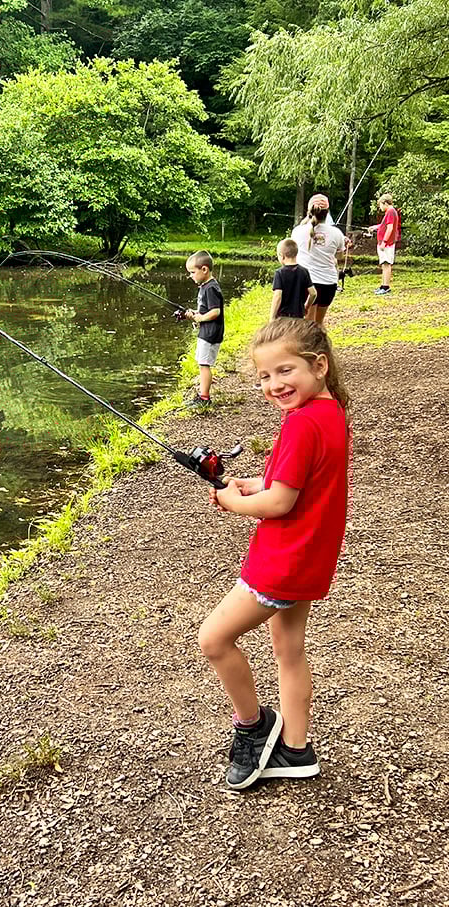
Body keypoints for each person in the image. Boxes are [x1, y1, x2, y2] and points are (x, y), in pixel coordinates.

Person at [198, 317, 350, 790]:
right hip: (309, 556)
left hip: (282, 562)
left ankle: (253, 726)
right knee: (288, 651)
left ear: (318, 365)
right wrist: (255, 485)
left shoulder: (302, 423)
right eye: (264, 376)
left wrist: (231, 499)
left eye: (285, 371)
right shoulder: (329, 413)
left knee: (214, 639)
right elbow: (297, 485)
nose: (274, 384)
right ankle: (296, 751)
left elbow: (280, 503)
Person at [291, 194, 348, 326]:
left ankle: (309, 346)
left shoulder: (298, 231)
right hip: (328, 283)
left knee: (308, 323)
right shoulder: (337, 233)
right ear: (327, 213)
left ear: (309, 210)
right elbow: (339, 257)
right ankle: (320, 346)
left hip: (305, 282)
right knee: (318, 323)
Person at [183, 250, 224, 407]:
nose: (191, 276)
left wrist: (201, 318)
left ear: (204, 269)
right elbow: (207, 310)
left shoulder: (211, 288)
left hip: (210, 333)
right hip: (207, 331)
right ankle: (202, 394)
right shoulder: (205, 286)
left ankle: (204, 398)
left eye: (193, 272)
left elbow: (215, 312)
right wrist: (195, 314)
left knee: (204, 364)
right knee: (202, 363)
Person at [270, 238, 317, 319]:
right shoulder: (304, 271)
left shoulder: (280, 273)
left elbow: (278, 296)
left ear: (282, 256)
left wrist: (272, 317)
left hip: (283, 317)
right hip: (298, 316)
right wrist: (306, 306)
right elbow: (313, 293)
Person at [368, 194, 400, 296]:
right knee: (384, 264)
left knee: (386, 264)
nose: (380, 207)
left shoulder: (390, 212)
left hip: (387, 243)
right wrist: (375, 227)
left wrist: (384, 242)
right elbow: (384, 225)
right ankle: (383, 285)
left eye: (380, 205)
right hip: (385, 243)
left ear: (385, 203)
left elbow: (390, 228)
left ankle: (386, 287)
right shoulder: (390, 212)